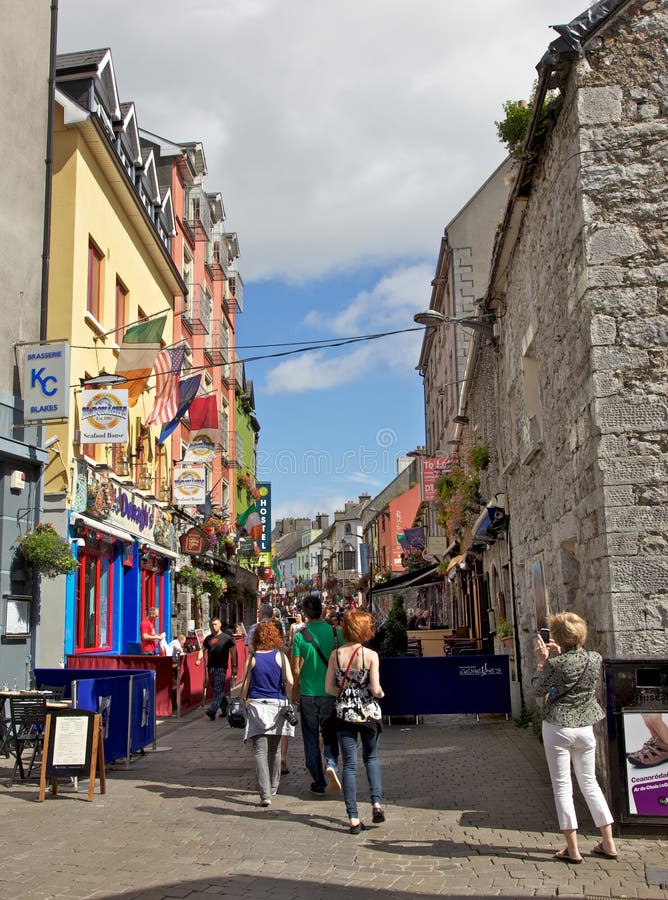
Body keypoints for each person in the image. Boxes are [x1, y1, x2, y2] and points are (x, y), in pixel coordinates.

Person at [534, 612, 618, 863]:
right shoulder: (595, 658)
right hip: (585, 727)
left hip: (558, 726)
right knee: (590, 783)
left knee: (562, 787)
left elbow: (539, 689)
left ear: (558, 637)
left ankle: (572, 849)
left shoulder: (554, 664)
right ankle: (608, 842)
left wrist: (542, 662)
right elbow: (575, 668)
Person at [325, 609, 385, 834]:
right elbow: (376, 688)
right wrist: (379, 695)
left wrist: (344, 695)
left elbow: (328, 688)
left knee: (349, 765)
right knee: (371, 758)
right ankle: (376, 804)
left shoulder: (336, 655)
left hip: (344, 715)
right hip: (368, 714)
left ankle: (352, 818)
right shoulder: (371, 656)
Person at [291, 593, 343, 795]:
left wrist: (294, 691)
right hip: (331, 692)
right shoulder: (336, 632)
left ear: (305, 613)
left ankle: (318, 781)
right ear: (322, 610)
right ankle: (330, 762)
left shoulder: (299, 637)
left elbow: (295, 669)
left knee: (311, 736)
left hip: (308, 693)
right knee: (330, 733)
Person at [240, 621, 295, 807]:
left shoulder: (253, 657)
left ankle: (265, 794)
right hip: (277, 705)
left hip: (257, 705)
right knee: (275, 749)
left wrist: (244, 700)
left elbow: (245, 685)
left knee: (260, 752)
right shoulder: (280, 656)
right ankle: (274, 786)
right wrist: (286, 694)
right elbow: (290, 680)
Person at [196, 618, 237, 721]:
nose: (213, 626)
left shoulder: (227, 638)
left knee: (218, 690)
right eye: (212, 624)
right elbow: (203, 649)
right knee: (217, 689)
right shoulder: (208, 638)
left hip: (221, 667)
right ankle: (226, 709)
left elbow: (233, 651)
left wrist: (234, 665)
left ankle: (212, 710)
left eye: (215, 624)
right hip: (211, 667)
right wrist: (198, 659)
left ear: (220, 625)